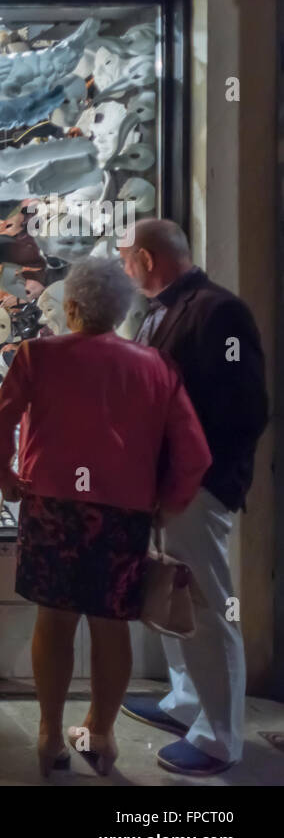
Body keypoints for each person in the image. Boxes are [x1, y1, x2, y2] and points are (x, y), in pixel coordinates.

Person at [0, 257, 210, 777]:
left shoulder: (37, 355)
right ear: (123, 309)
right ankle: (102, 736)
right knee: (112, 627)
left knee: (54, 620)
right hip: (123, 512)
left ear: (71, 306)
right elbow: (194, 455)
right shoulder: (156, 367)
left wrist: (6, 477)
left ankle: (47, 737)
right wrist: (165, 503)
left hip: (52, 507)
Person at [119, 219, 269, 775]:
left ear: (147, 258)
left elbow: (245, 407)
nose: (122, 268)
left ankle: (219, 735)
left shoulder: (220, 313)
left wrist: (205, 480)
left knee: (208, 605)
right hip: (165, 483)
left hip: (197, 486)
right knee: (171, 592)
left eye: (124, 257)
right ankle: (185, 700)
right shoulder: (166, 309)